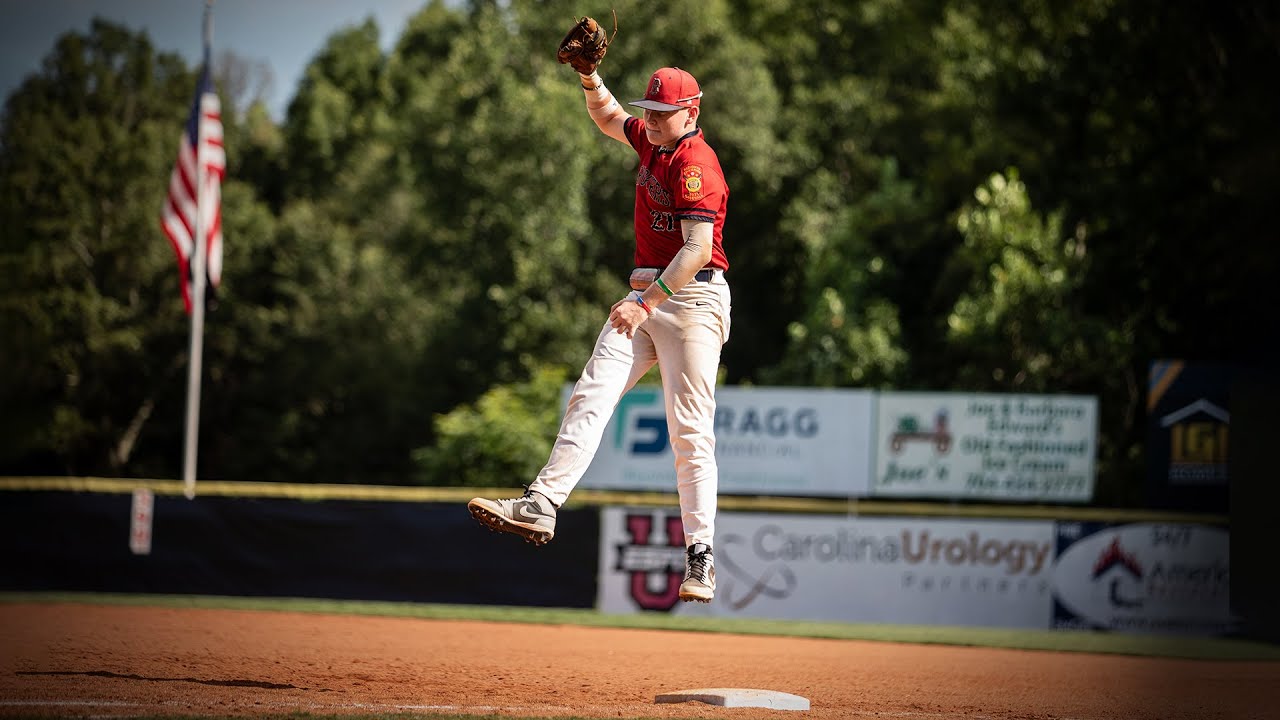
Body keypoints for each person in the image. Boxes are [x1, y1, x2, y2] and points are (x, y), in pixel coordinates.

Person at [468, 64, 731, 604]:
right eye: (650, 110)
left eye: (663, 112)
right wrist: (590, 78)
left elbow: (698, 249)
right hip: (649, 296)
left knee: (689, 433)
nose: (651, 119)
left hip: (695, 300)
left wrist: (647, 303)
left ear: (692, 112)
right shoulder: (654, 142)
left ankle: (700, 556)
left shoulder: (694, 163)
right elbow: (610, 117)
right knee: (593, 390)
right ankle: (543, 502)